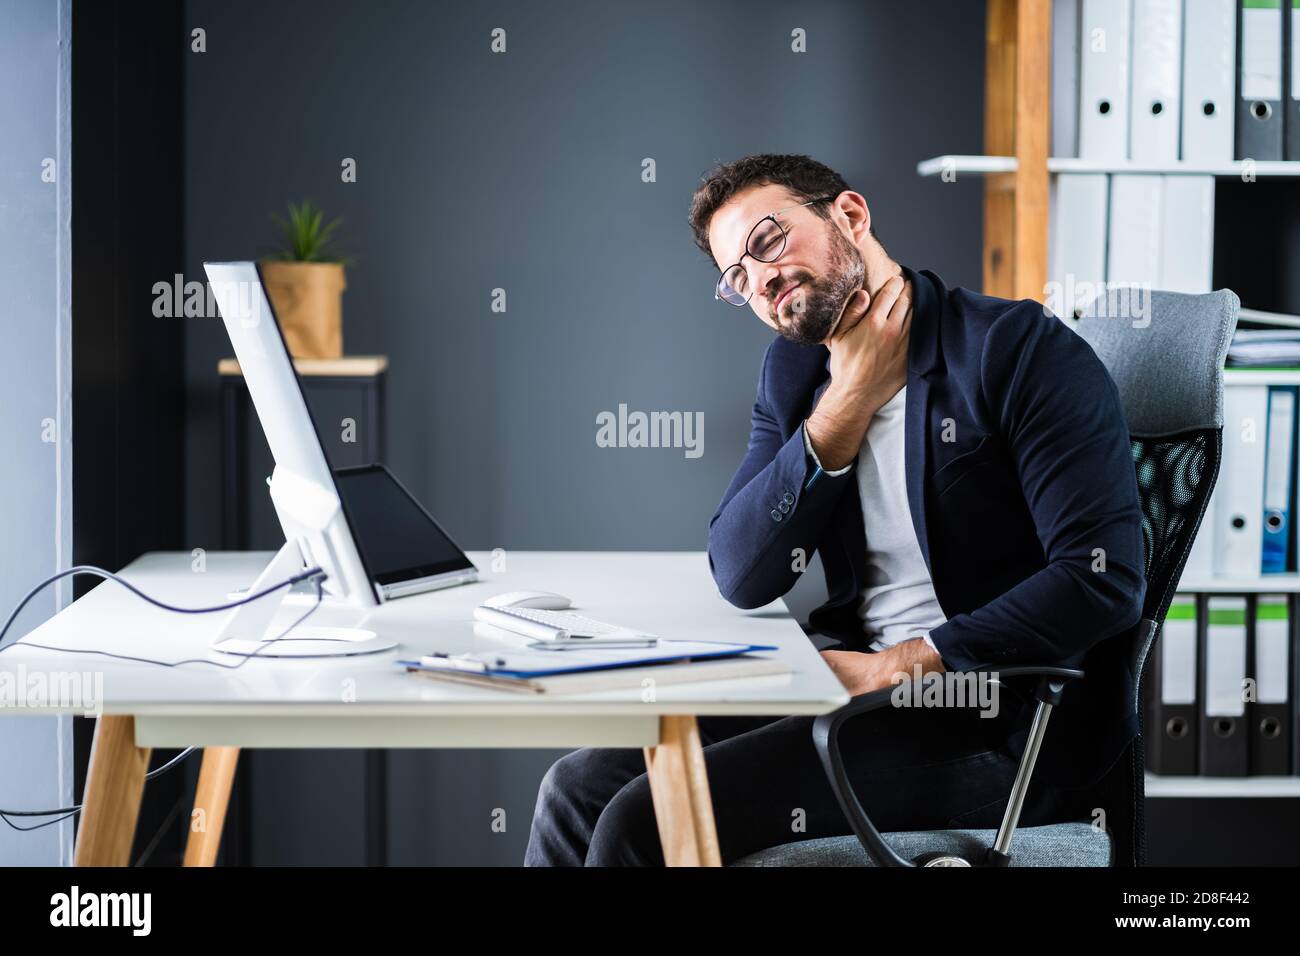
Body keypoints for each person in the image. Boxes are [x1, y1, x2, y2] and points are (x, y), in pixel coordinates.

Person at [525, 154, 1146, 866]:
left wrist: (902, 666)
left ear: (848, 215)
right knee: (573, 789)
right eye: (738, 278)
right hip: (849, 692)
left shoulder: (1017, 351)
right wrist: (844, 405)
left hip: (994, 722)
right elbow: (741, 570)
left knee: (643, 822)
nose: (761, 280)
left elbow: (1101, 580)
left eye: (767, 242)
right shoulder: (794, 374)